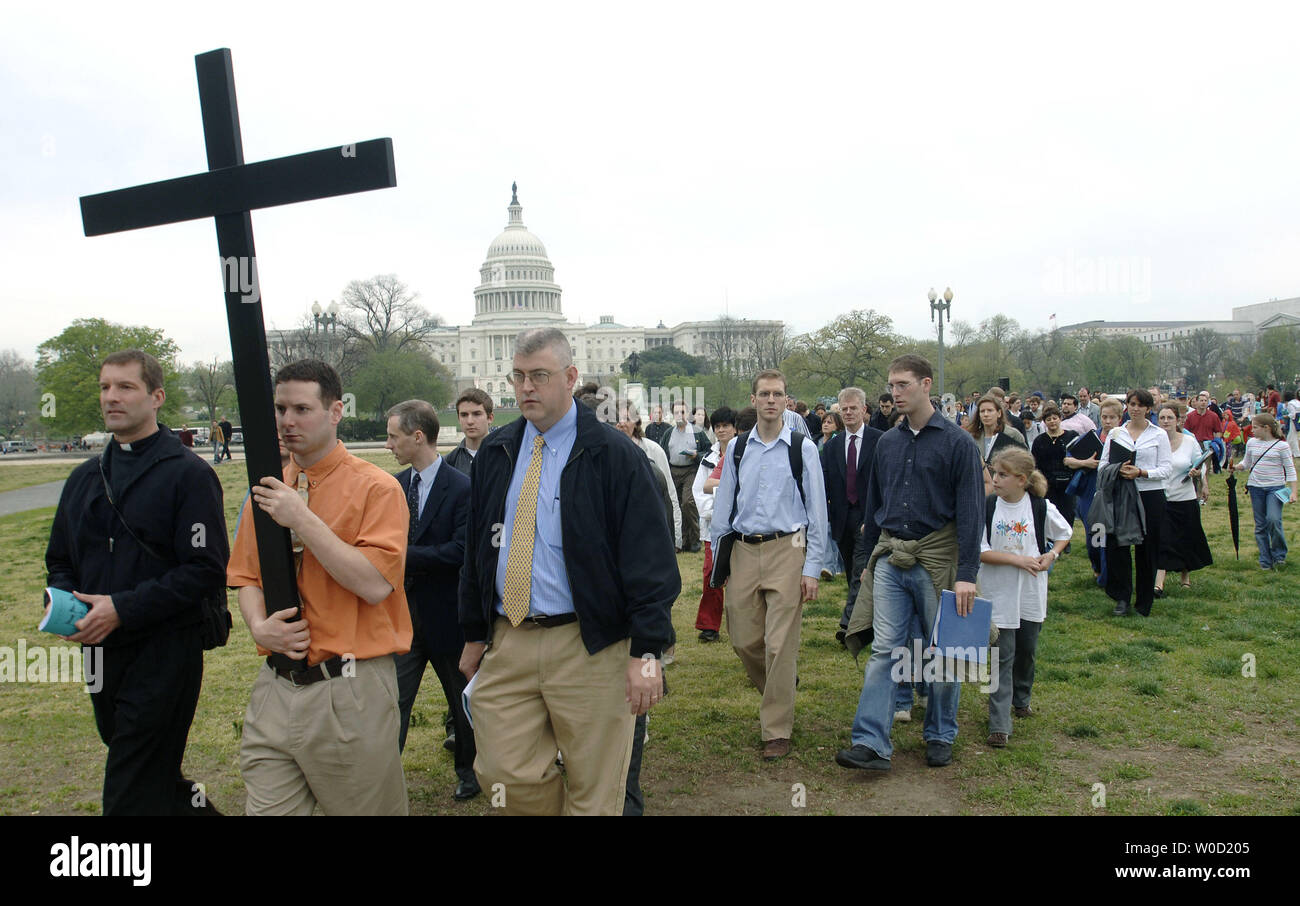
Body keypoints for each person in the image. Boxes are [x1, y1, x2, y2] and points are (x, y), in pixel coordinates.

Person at [458, 327, 678, 815]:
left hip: (590, 643)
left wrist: (646, 650)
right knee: (501, 772)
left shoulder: (614, 455)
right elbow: (478, 551)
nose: (526, 388)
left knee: (595, 786)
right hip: (509, 636)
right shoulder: (496, 453)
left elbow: (650, 562)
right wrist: (474, 633)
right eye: (518, 377)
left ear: (570, 376)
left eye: (540, 375)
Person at [44, 349, 229, 815]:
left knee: (129, 784)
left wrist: (122, 608)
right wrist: (66, 608)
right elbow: (60, 558)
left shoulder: (189, 476)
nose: (112, 397)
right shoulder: (84, 477)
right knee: (151, 773)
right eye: (106, 387)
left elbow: (205, 570)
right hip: (100, 654)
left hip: (165, 650)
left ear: (156, 397)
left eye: (126, 387)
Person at [228, 359, 411, 815]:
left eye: (302, 409)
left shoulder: (377, 489)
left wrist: (302, 519)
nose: (288, 421)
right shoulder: (270, 487)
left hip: (349, 688)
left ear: (335, 412)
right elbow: (246, 575)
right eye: (280, 408)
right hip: (277, 684)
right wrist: (258, 625)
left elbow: (373, 584)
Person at [836, 354, 985, 772]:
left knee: (945, 650)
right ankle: (871, 743)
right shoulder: (887, 442)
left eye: (903, 384)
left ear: (926, 384)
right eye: (892, 385)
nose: (895, 392)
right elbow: (874, 507)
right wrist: (866, 560)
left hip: (938, 560)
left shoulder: (958, 444)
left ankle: (939, 733)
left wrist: (969, 575)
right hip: (890, 556)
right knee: (885, 650)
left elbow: (972, 514)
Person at [710, 369, 827, 760]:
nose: (772, 400)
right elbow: (724, 505)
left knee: (780, 644)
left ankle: (776, 729)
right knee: (744, 641)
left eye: (779, 394)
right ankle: (780, 687)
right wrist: (717, 558)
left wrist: (812, 567)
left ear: (786, 401)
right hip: (743, 551)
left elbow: (817, 510)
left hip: (788, 549)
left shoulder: (802, 447)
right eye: (765, 394)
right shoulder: (738, 448)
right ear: (755, 399)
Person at [384, 400, 479, 800]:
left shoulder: (461, 486)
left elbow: (461, 550)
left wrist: (401, 559)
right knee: (392, 703)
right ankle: (383, 775)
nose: (389, 444)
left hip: (447, 616)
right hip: (402, 618)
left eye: (393, 436)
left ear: (417, 436)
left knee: (461, 701)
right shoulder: (392, 486)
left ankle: (470, 771)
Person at [979, 448, 1070, 747]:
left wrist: (1051, 554)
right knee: (1000, 657)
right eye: (994, 473)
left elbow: (1064, 533)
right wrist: (1017, 560)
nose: (996, 479)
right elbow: (980, 550)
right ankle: (999, 724)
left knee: (1026, 651)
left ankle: (1022, 698)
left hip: (1030, 593)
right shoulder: (988, 507)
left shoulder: (1039, 507)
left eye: (1002, 475)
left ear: (1021, 480)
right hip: (997, 592)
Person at [1098, 389, 1172, 617]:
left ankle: (1144, 600)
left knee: (1147, 549)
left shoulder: (1158, 435)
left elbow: (1167, 469)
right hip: (1122, 494)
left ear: (1149, 408)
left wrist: (1141, 472)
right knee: (1118, 547)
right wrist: (1117, 470)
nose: (1135, 408)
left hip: (1150, 495)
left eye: (1141, 405)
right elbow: (1102, 465)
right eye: (1132, 404)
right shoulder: (1116, 434)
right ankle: (1121, 597)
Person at [821, 387, 882, 643]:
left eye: (853, 408)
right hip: (842, 517)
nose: (847, 413)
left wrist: (877, 516)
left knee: (860, 569)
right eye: (843, 408)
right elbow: (825, 482)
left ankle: (848, 627)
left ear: (864, 410)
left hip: (868, 516)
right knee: (851, 572)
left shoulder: (880, 440)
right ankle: (869, 620)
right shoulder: (833, 445)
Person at [1154, 401, 1211, 594]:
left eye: (1170, 417)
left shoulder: (1189, 441)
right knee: (1163, 539)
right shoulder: (1153, 441)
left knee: (1186, 538)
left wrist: (1200, 478)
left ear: (1178, 420)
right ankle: (1158, 583)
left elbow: (1200, 463)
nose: (1166, 421)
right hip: (1161, 498)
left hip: (1185, 498)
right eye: (1162, 417)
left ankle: (1185, 577)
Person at [1229, 413, 1296, 570]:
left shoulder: (1282, 446)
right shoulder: (1252, 442)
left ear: (1266, 428)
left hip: (1276, 488)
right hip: (1256, 488)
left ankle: (1279, 554)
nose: (1251, 430)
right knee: (1260, 525)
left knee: (1273, 520)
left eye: (1255, 427)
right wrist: (1236, 467)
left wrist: (1294, 492)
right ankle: (1265, 560)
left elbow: (1290, 470)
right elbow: (1247, 462)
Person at [660, 399, 712, 553]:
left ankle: (695, 539)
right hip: (673, 471)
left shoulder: (697, 432)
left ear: (688, 413)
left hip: (691, 470)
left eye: (682, 412)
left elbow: (709, 452)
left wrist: (697, 455)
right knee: (673, 506)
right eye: (676, 412)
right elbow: (663, 452)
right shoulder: (669, 433)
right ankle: (680, 541)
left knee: (687, 503)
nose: (680, 415)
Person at [967, 393, 1027, 492]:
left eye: (990, 410)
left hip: (1007, 490)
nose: (986, 414)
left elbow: (1026, 462)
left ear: (999, 413)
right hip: (981, 490)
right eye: (982, 411)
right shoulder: (971, 437)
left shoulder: (1012, 435)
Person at [1031, 404, 1078, 525]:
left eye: (1054, 418)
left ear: (1060, 418)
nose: (1052, 422)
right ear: (1044, 422)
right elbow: (1035, 464)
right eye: (1048, 419)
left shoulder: (1071, 436)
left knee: (1067, 517)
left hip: (1067, 485)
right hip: (1048, 486)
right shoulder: (1039, 441)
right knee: (1048, 519)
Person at [444, 388, 495, 476]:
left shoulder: (506, 456)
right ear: (458, 419)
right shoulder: (449, 462)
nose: (470, 421)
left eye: (476, 414)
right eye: (464, 415)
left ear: (490, 418)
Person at [1185, 391, 1224, 474]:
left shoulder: (1213, 416)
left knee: (1205, 470)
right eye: (1201, 400)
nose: (1203, 403)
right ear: (1197, 402)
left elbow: (1218, 431)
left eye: (1205, 401)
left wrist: (1216, 443)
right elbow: (1185, 432)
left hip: (1207, 445)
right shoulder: (1190, 416)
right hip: (1194, 444)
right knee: (1194, 468)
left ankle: (1205, 485)